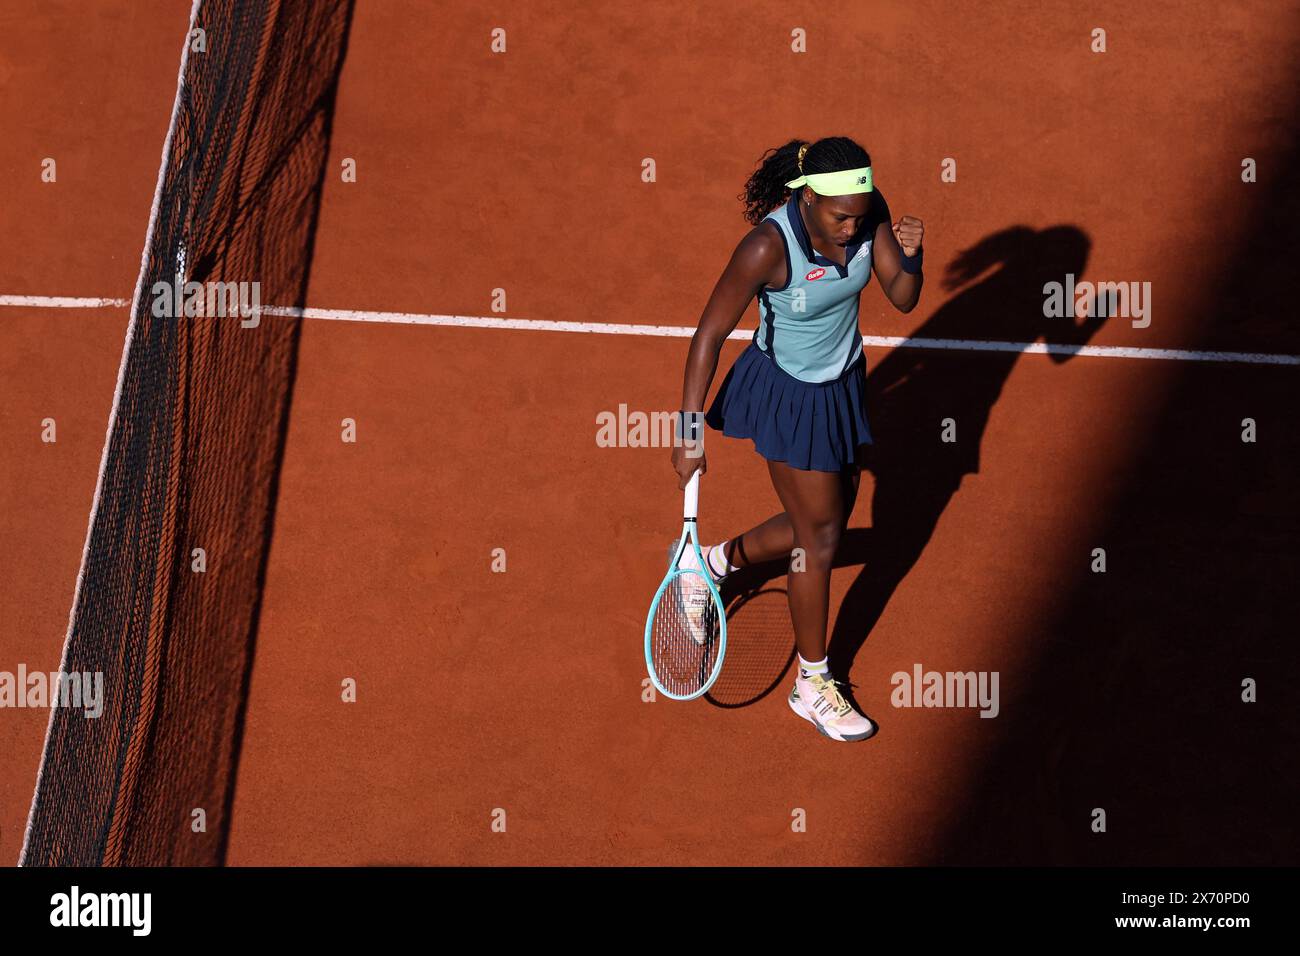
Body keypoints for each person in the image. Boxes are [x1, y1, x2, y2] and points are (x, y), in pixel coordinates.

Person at [671, 136, 924, 741]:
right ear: (808, 198)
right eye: (839, 217)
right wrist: (687, 429)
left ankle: (711, 564)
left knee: (824, 519)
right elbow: (708, 334)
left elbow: (904, 295)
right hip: (787, 395)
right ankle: (813, 683)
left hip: (843, 385)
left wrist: (912, 254)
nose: (850, 229)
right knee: (820, 536)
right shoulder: (766, 246)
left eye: (858, 218)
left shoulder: (865, 211)